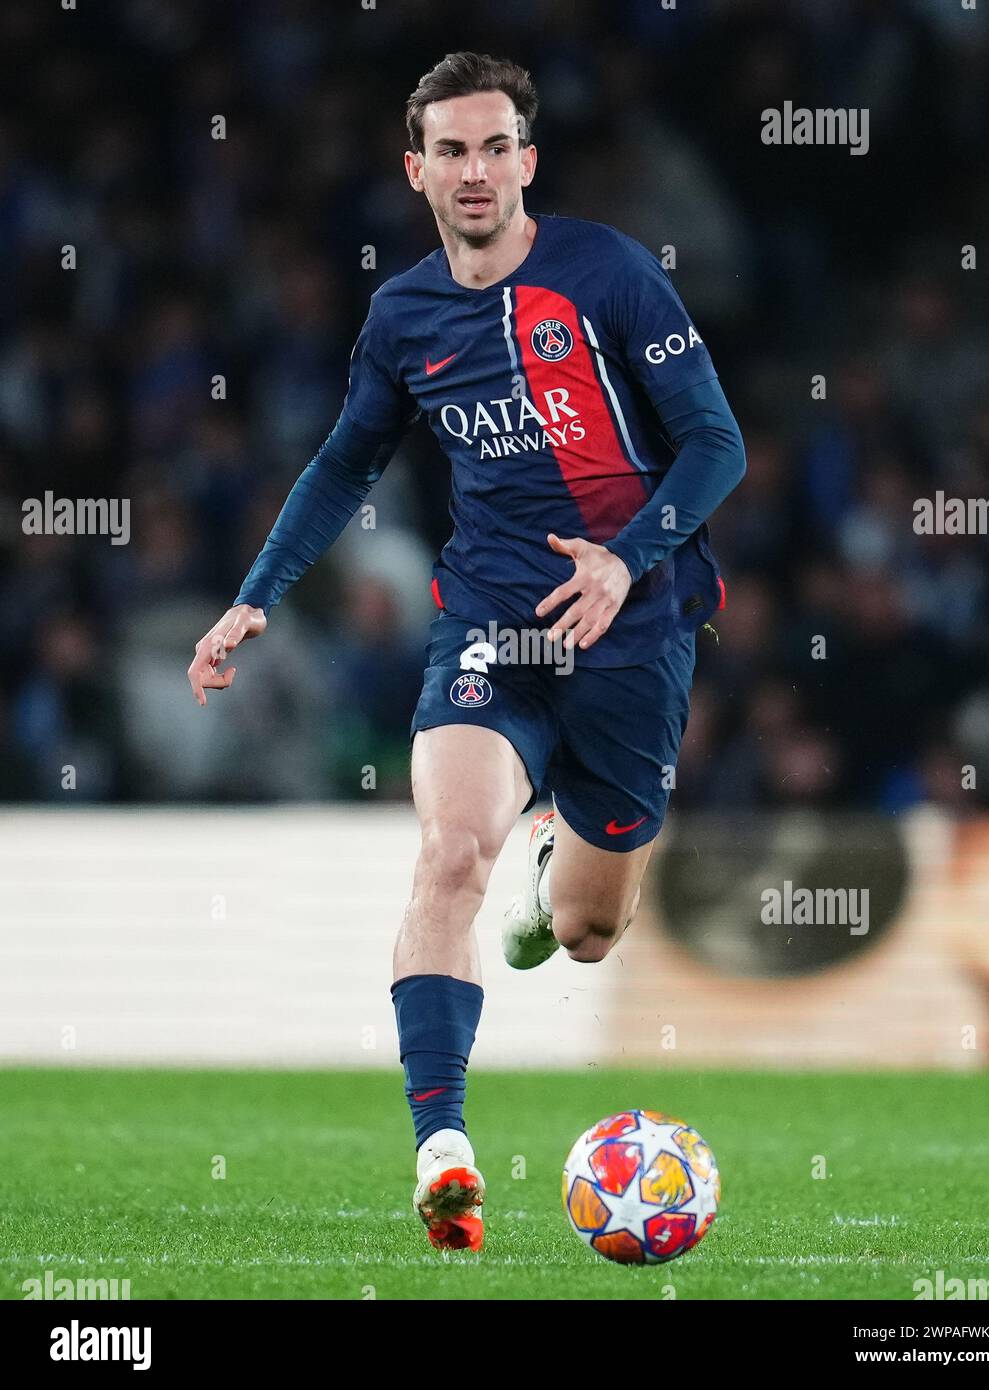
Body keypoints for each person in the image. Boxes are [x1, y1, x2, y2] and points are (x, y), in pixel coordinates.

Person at [187, 51, 746, 1253]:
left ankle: (553, 883)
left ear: (527, 161)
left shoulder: (608, 273)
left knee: (592, 931)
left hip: (631, 626)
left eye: (496, 147)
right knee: (447, 852)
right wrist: (256, 596)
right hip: (488, 621)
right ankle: (442, 1143)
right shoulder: (401, 317)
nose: (475, 171)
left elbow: (713, 442)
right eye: (450, 150)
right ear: (415, 170)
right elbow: (347, 461)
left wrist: (623, 555)